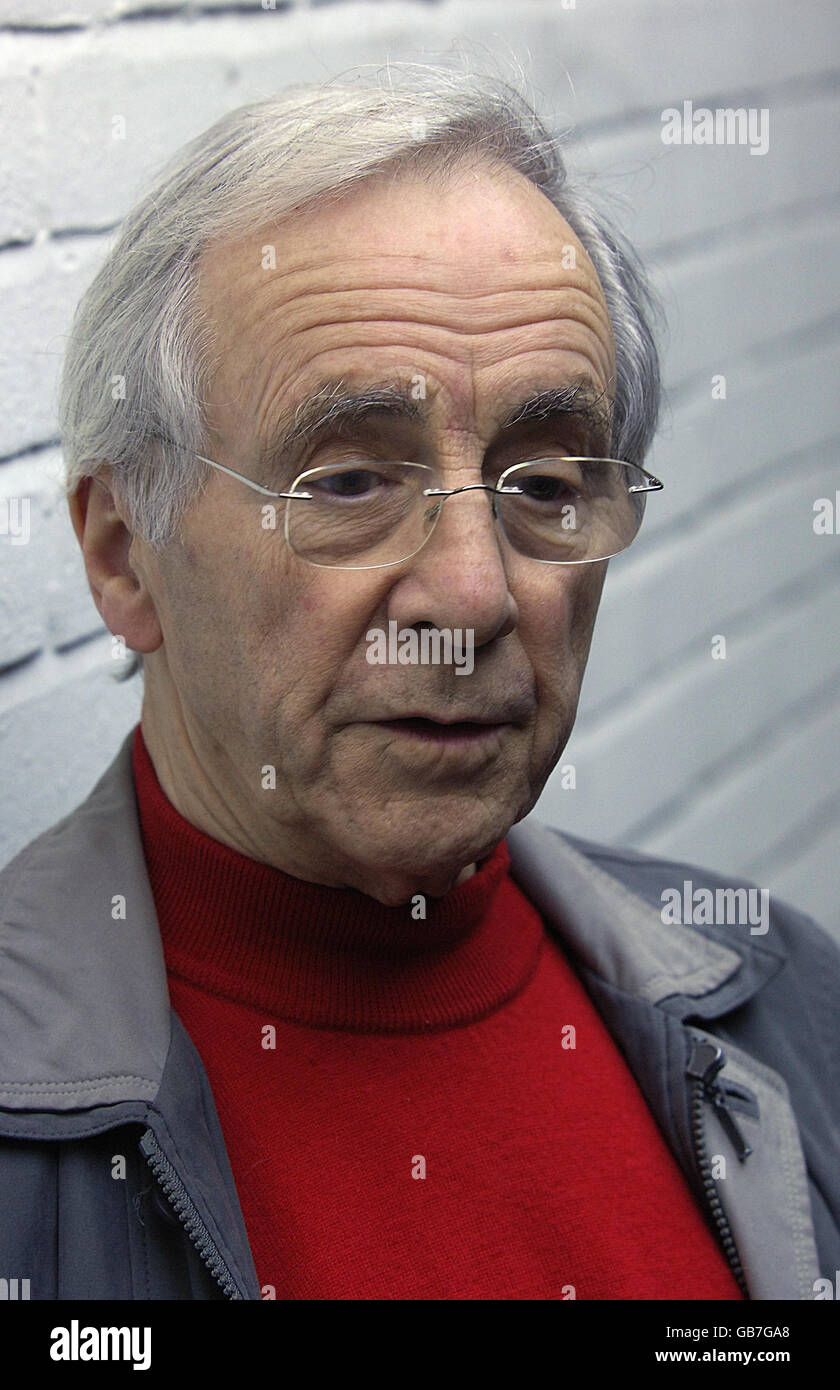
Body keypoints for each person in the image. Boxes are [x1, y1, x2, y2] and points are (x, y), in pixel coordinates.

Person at [1, 69, 837, 1302]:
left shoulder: (782, 1008)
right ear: (127, 555)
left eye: (544, 485)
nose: (475, 595)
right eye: (348, 483)